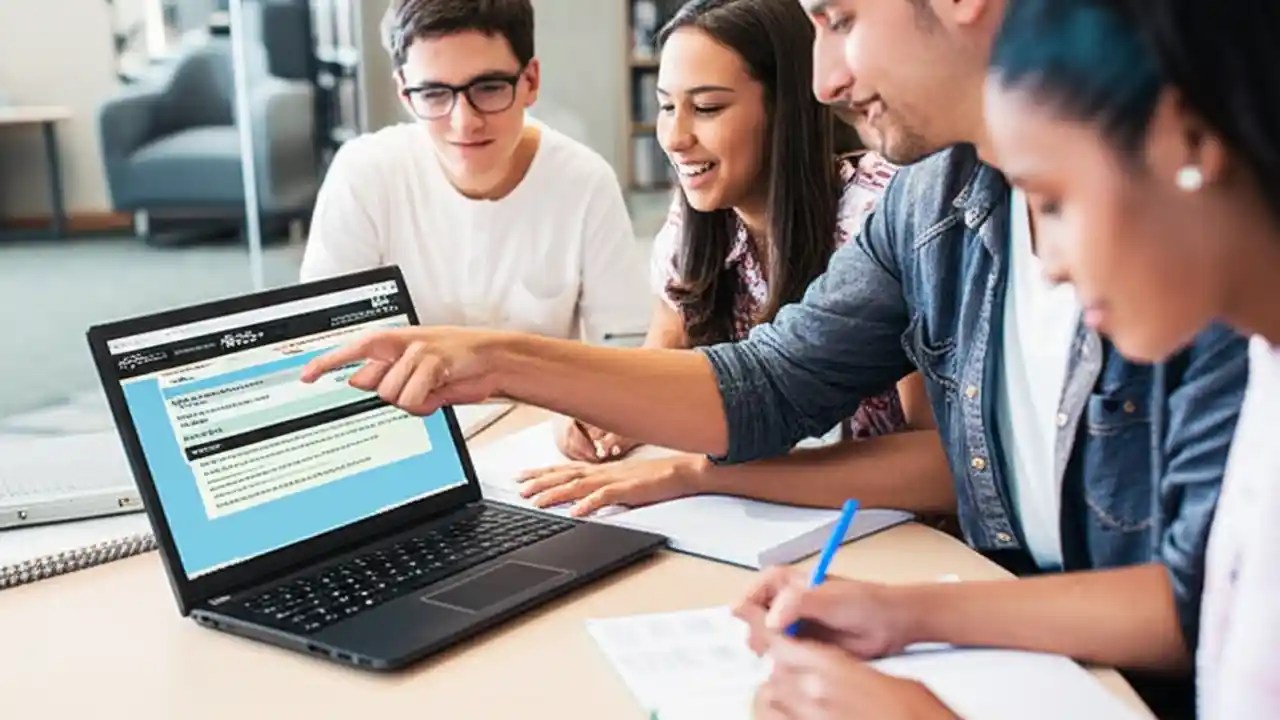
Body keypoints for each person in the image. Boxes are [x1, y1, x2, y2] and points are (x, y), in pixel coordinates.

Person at [298, 0, 1248, 713]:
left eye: (838, 19)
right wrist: (908, 616)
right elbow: (771, 380)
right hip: (1043, 649)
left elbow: (1194, 609)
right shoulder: (934, 199)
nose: (825, 79)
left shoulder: (1200, 286)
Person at [518, 0, 950, 520]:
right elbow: (663, 362)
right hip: (786, 521)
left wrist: (702, 474)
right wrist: (606, 413)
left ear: (786, 109)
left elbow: (942, 462)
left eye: (707, 108)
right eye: (665, 106)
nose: (675, 138)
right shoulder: (698, 217)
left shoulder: (878, 213)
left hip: (900, 535)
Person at [299, 0, 644, 342]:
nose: (464, 123)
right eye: (434, 93)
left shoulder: (585, 184)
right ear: (405, 93)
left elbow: (627, 350)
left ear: (531, 81)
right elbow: (327, 345)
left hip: (542, 400)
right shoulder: (363, 175)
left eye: (489, 88)